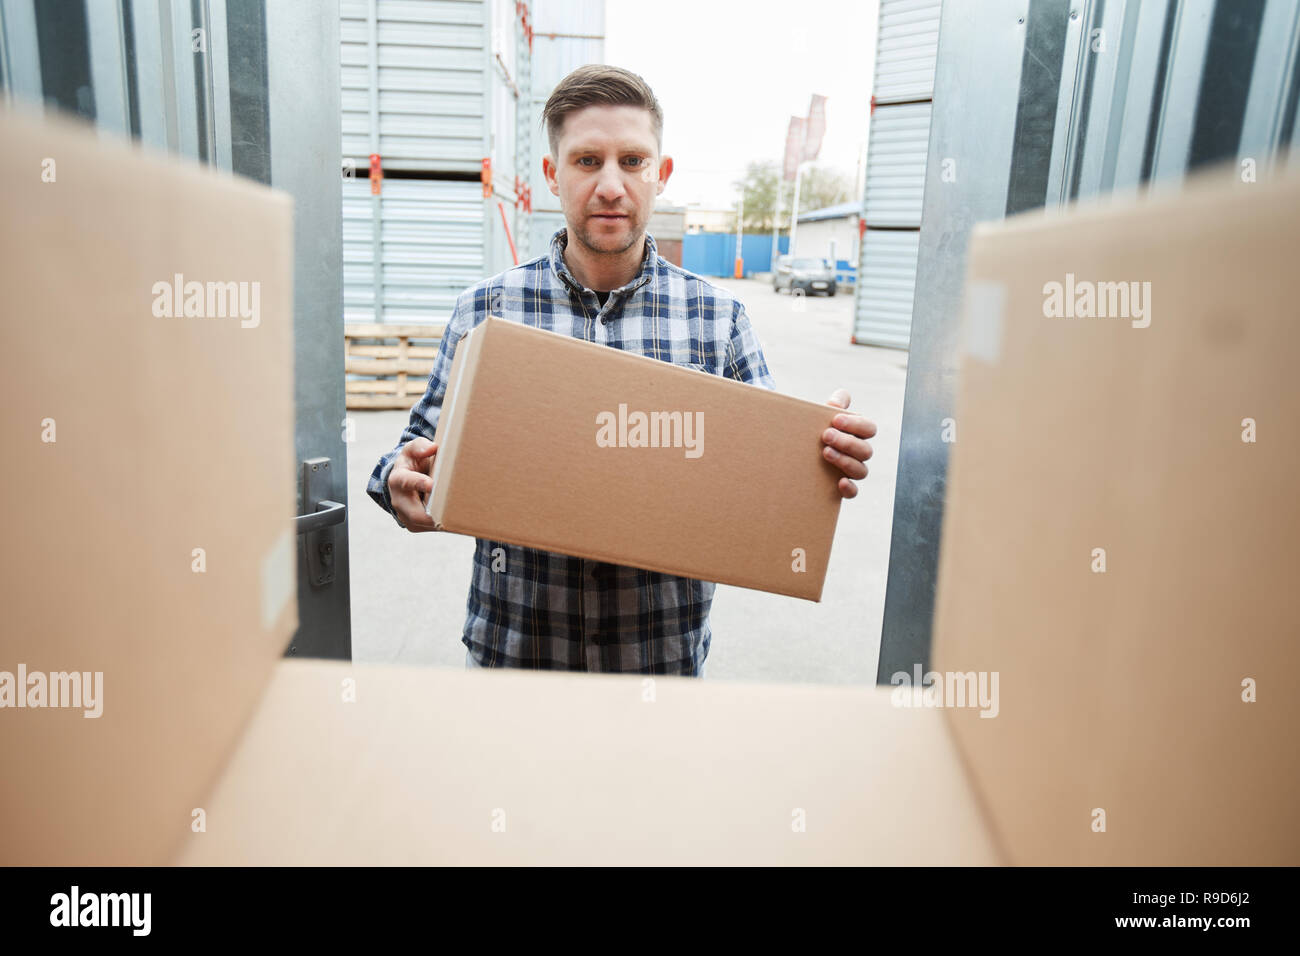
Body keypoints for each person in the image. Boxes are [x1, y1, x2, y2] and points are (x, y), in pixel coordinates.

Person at [367, 65, 876, 676]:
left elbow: (758, 483)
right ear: (553, 175)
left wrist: (816, 459)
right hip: (513, 659)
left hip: (655, 663)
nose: (611, 185)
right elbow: (412, 454)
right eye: (587, 161)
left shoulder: (718, 318)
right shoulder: (486, 310)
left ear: (660, 175)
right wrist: (401, 483)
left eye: (632, 161)